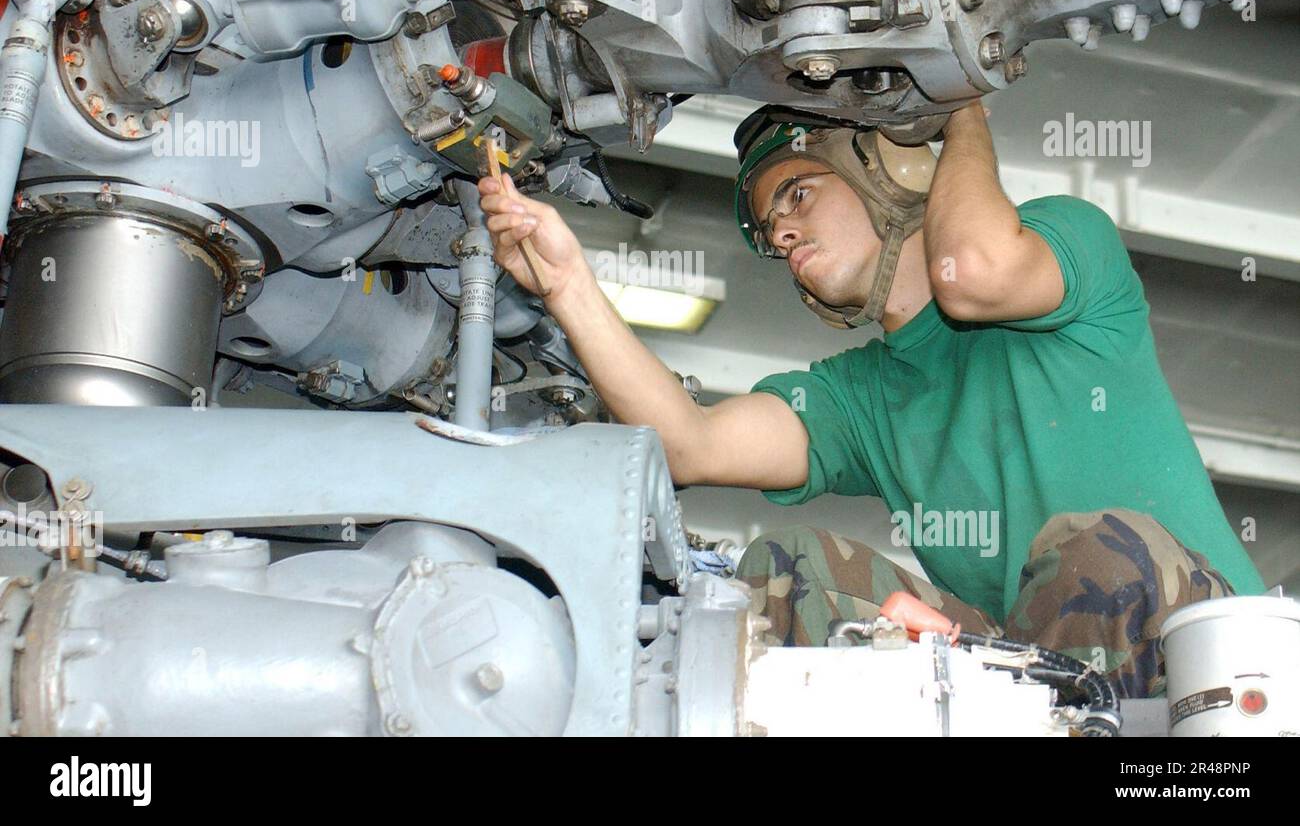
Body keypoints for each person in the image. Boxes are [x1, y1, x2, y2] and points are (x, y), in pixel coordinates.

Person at [477, 100, 1263, 698]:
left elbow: (973, 274)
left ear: (890, 171)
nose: (780, 235)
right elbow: (686, 446)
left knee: (1098, 547)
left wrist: (959, 114)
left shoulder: (1065, 243)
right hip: (1047, 679)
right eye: (766, 227)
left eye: (796, 196)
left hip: (1213, 660)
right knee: (787, 571)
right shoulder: (860, 394)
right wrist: (567, 284)